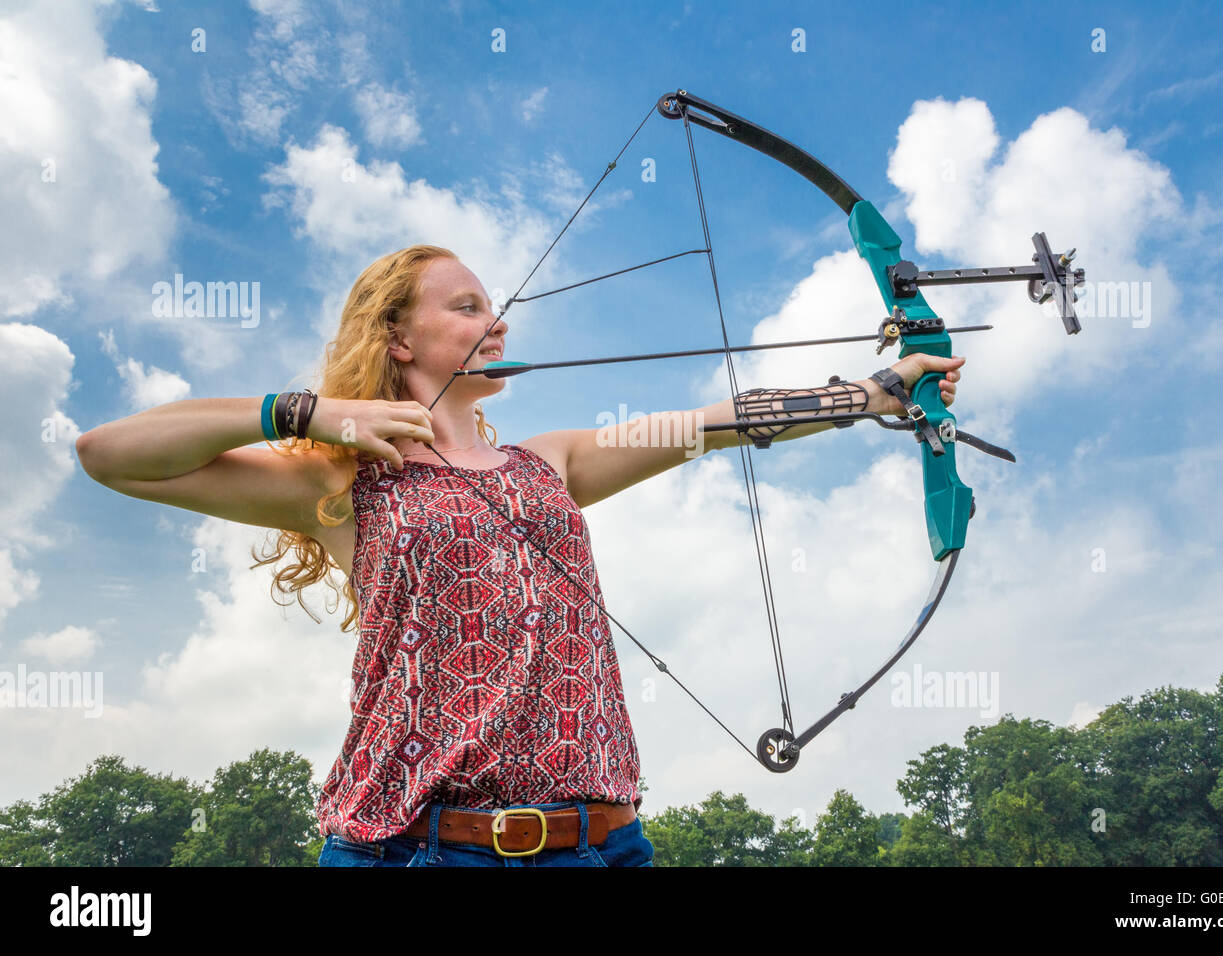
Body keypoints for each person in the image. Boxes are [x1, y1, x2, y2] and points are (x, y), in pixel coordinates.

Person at [76, 244, 962, 867]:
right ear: (397, 338)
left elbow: (712, 424)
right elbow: (107, 453)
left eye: (492, 307)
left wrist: (872, 392)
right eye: (466, 308)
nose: (495, 323)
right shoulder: (344, 478)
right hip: (416, 848)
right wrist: (304, 415)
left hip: (598, 844)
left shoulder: (555, 459)